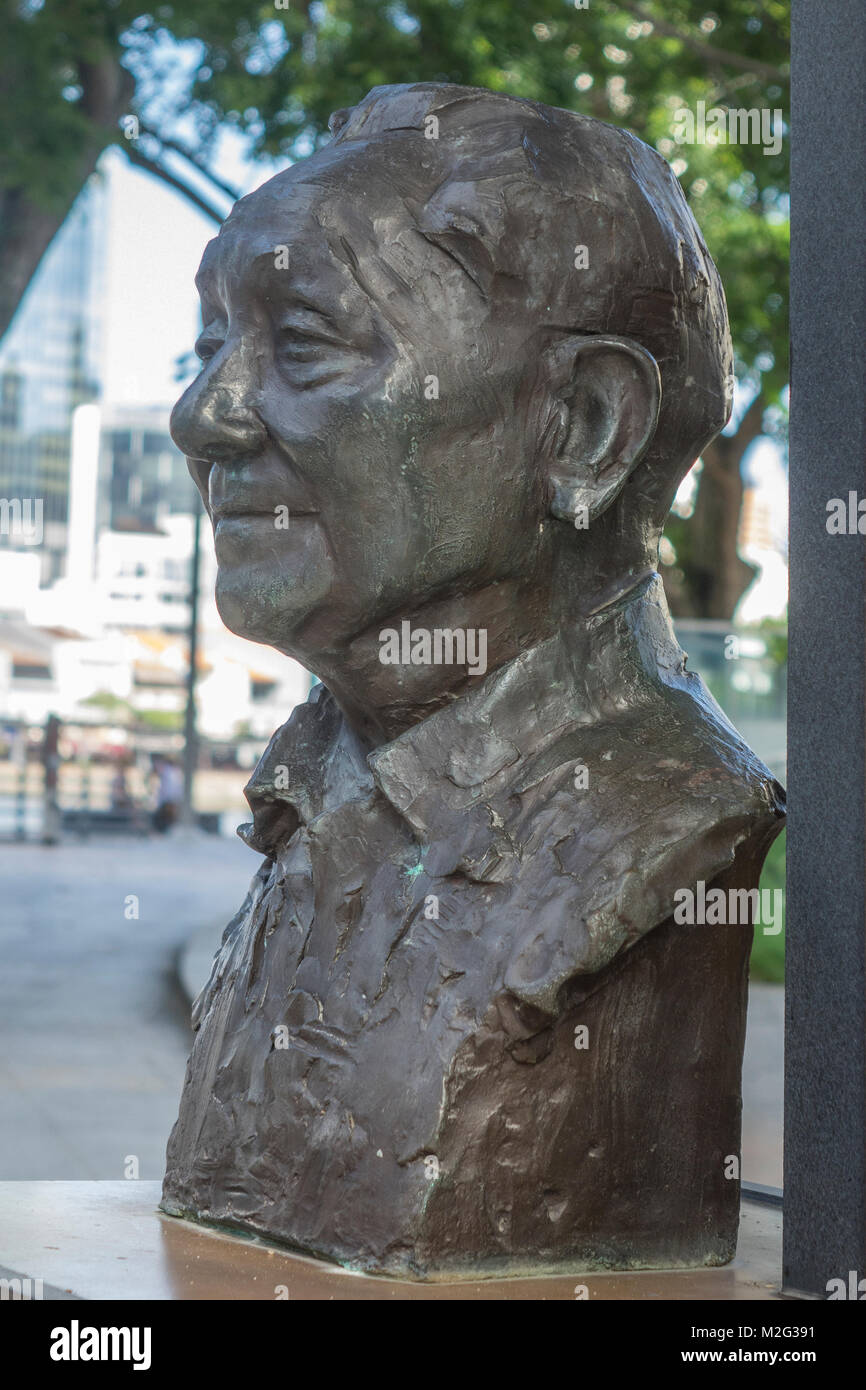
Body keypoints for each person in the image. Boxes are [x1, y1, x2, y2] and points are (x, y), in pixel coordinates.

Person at [162, 84, 784, 1277]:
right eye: (207, 347)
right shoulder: (309, 790)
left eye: (301, 345)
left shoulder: (665, 825)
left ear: (583, 427)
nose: (206, 414)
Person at [151, 756, 181, 834]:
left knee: (166, 818)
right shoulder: (171, 772)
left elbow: (169, 789)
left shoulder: (168, 773)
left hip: (169, 800)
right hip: (169, 800)